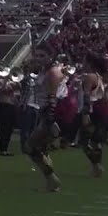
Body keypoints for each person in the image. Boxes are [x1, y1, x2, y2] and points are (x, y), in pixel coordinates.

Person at [24, 52, 65, 193]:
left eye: (43, 55)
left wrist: (49, 118)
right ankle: (50, 181)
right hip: (45, 111)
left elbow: (52, 97)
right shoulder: (44, 71)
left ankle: (52, 179)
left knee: (31, 147)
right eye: (38, 55)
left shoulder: (53, 72)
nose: (39, 58)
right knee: (41, 149)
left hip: (49, 113)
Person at [78, 54, 108, 178]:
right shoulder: (99, 77)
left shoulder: (89, 77)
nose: (83, 64)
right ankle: (96, 166)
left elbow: (87, 96)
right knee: (95, 142)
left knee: (84, 141)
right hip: (100, 110)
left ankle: (96, 165)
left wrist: (86, 113)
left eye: (84, 61)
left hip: (92, 111)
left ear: (90, 63)